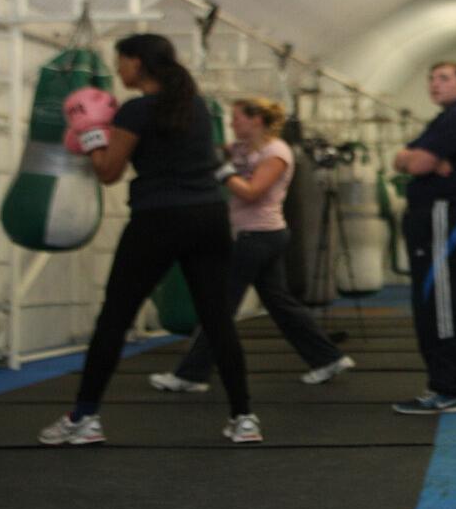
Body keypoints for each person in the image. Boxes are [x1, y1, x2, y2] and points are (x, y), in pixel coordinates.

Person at [38, 34, 260, 445]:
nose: (118, 69)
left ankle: (84, 418)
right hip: (210, 217)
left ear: (138, 63)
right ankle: (244, 418)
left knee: (115, 318)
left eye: (121, 61)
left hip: (159, 218)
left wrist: (90, 133)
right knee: (217, 319)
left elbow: (108, 172)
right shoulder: (196, 106)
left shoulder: (136, 110)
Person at [148, 97, 355, 394]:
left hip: (257, 237)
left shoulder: (276, 152)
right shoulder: (242, 148)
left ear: (256, 119)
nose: (232, 124)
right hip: (257, 236)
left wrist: (223, 171)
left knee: (219, 306)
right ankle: (328, 358)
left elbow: (251, 192)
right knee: (280, 303)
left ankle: (191, 374)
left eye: (237, 118)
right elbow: (207, 150)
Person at [391, 61, 456, 415]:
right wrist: (415, 158)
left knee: (440, 301)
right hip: (451, 215)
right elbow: (402, 158)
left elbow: (415, 163)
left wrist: (420, 161)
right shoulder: (453, 117)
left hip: (443, 214)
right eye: (431, 79)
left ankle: (446, 388)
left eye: (444, 78)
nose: (434, 84)